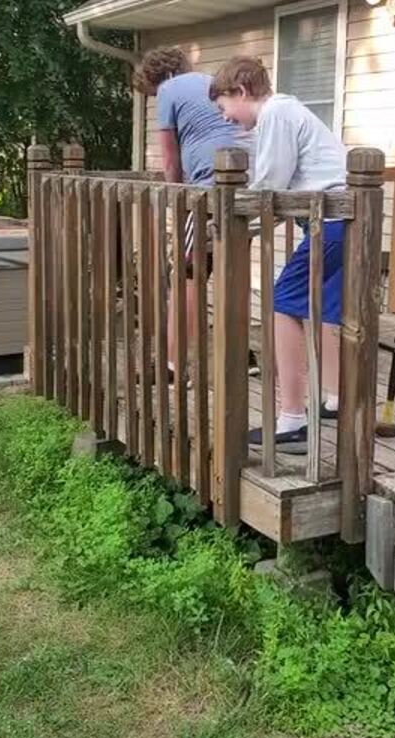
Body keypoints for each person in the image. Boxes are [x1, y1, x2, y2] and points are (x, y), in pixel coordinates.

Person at [209, 55, 346, 453]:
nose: (226, 118)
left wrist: (233, 225)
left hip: (331, 223)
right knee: (326, 310)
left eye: (224, 108)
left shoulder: (277, 114)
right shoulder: (287, 112)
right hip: (344, 222)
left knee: (282, 304)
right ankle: (335, 399)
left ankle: (293, 422)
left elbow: (269, 184)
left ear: (241, 91)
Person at [135, 46, 258, 379]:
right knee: (234, 273)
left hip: (208, 190)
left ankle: (173, 365)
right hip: (249, 186)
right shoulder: (211, 80)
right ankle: (243, 356)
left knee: (188, 275)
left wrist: (176, 198)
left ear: (154, 78)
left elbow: (171, 160)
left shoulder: (168, 90)